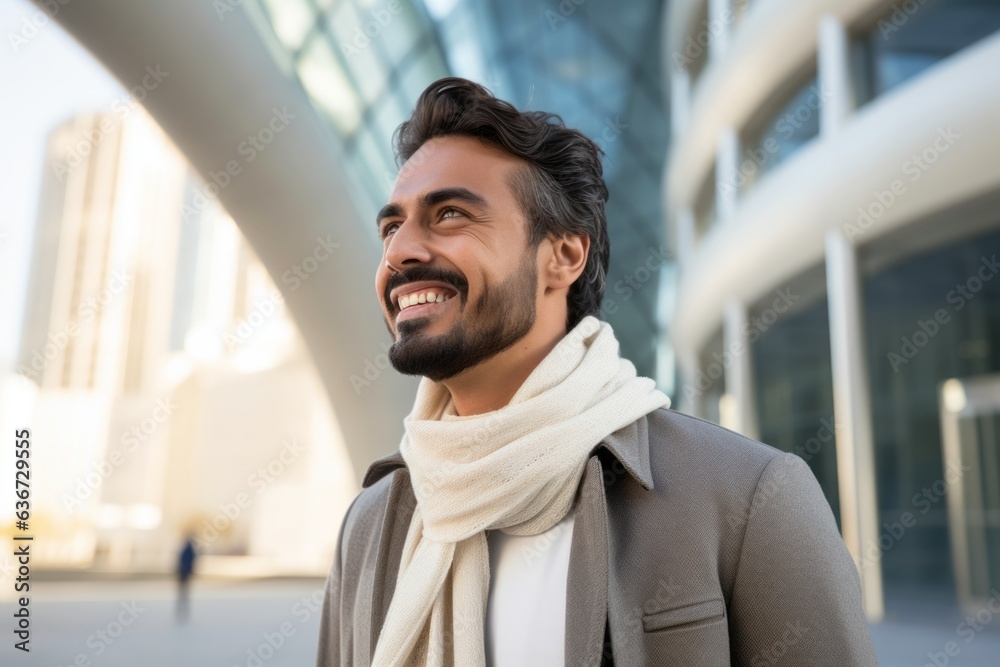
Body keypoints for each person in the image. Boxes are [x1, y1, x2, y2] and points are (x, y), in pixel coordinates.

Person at [315, 77, 878, 666]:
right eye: (390, 227)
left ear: (563, 256)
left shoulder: (745, 499)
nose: (400, 251)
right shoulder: (372, 524)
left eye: (450, 214)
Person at [176, 534, 196, 622]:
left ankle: (182, 608)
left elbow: (185, 561)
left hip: (184, 572)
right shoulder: (190, 549)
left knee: (183, 591)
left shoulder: (187, 549)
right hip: (185, 572)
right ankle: (182, 607)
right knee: (183, 591)